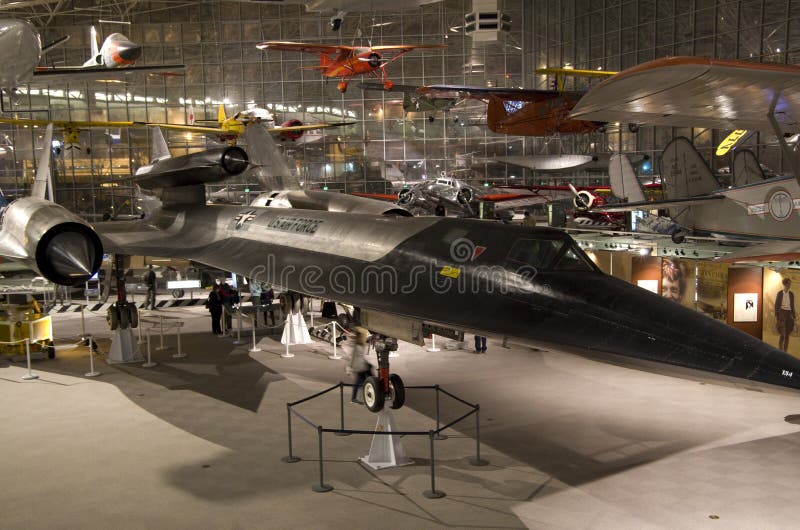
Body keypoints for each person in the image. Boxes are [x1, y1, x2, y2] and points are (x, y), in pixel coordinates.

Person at [346, 326, 372, 404]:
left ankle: (355, 398)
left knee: (363, 381)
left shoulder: (361, 344)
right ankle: (367, 396)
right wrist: (349, 367)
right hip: (360, 367)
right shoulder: (357, 346)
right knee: (364, 381)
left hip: (362, 365)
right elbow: (353, 357)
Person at [775, 277, 796, 351]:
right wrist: (777, 315)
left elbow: (792, 305)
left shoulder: (791, 294)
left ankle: (785, 351)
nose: (790, 285)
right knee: (782, 333)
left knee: (787, 334)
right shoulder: (780, 293)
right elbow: (777, 304)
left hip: (789, 313)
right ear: (785, 284)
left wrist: (794, 316)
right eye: (789, 283)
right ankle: (780, 350)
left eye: (790, 283)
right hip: (782, 313)